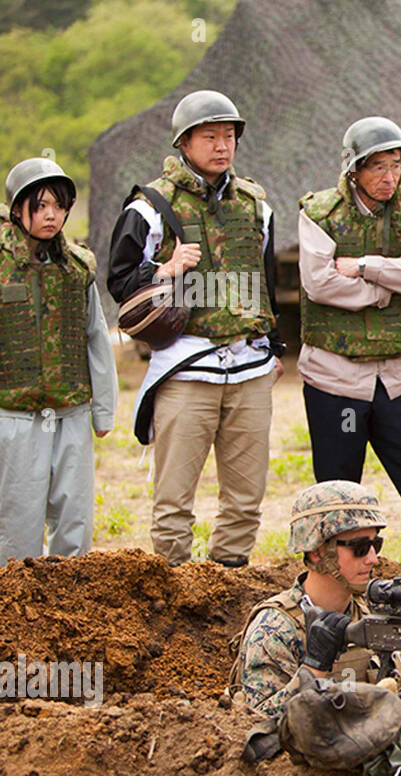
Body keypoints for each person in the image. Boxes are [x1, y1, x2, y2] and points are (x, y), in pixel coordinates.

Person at [107, 90, 285, 568]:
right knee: (173, 501)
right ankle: (174, 589)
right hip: (185, 368)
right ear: (184, 141)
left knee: (246, 498)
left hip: (249, 368)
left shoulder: (256, 206)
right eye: (210, 136)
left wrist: (273, 347)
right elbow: (119, 280)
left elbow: (267, 283)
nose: (222, 146)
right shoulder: (150, 206)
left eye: (229, 136)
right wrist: (162, 270)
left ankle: (227, 582)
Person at [297, 116, 401, 560]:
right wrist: (395, 281)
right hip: (336, 379)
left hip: (398, 378)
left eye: (396, 166)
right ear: (354, 169)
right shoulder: (319, 214)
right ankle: (333, 584)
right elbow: (320, 284)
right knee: (339, 492)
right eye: (377, 167)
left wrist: (368, 267)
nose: (389, 177)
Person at [0, 158, 116, 561]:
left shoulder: (77, 267)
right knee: (18, 516)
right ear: (18, 209)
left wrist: (103, 411)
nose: (51, 215)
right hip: (14, 414)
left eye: (59, 206)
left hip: (71, 412)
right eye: (41, 205)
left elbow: (96, 338)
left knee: (75, 516)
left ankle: (71, 596)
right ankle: (16, 604)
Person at [232, 480, 385, 718]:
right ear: (317, 551)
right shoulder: (275, 627)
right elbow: (254, 724)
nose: (373, 559)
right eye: (360, 547)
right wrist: (314, 668)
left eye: (376, 544)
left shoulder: (370, 614)